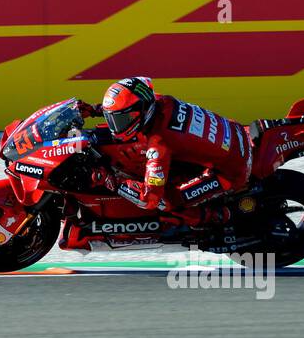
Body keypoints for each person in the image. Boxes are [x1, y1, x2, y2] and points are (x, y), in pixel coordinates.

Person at [79, 76, 252, 227]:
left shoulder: (159, 143)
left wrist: (111, 181)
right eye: (113, 118)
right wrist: (95, 110)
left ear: (144, 111)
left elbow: (149, 199)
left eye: (121, 120)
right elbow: (130, 107)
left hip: (231, 170)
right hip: (235, 132)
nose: (115, 127)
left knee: (166, 202)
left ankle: (217, 217)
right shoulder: (162, 101)